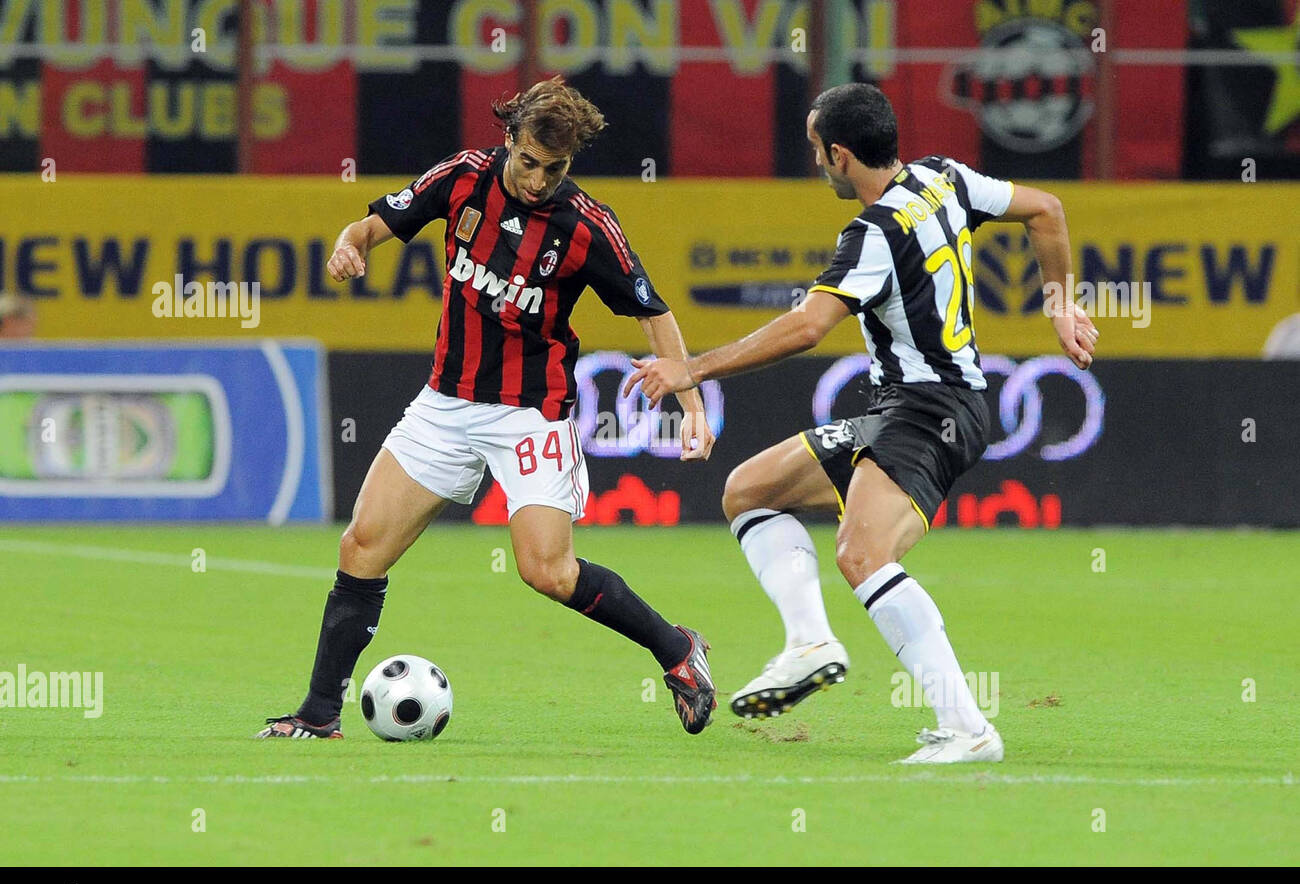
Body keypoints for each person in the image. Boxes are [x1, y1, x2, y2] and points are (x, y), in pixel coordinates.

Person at [626, 83, 1098, 763]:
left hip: (931, 411)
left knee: (861, 554)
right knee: (749, 491)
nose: (817, 162)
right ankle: (809, 644)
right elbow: (1046, 210)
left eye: (818, 150)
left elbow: (807, 328)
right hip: (908, 409)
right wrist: (1059, 306)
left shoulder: (873, 234)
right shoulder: (944, 177)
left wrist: (692, 369)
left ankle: (968, 729)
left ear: (840, 155)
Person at [258, 77, 717, 739]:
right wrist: (349, 244)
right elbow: (371, 225)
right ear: (509, 140)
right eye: (528, 162)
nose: (537, 180)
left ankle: (677, 652)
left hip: (531, 412)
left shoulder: (588, 227)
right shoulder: (462, 178)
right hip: (445, 403)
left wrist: (690, 400)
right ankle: (318, 715)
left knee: (546, 571)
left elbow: (655, 311)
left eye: (553, 169)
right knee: (361, 547)